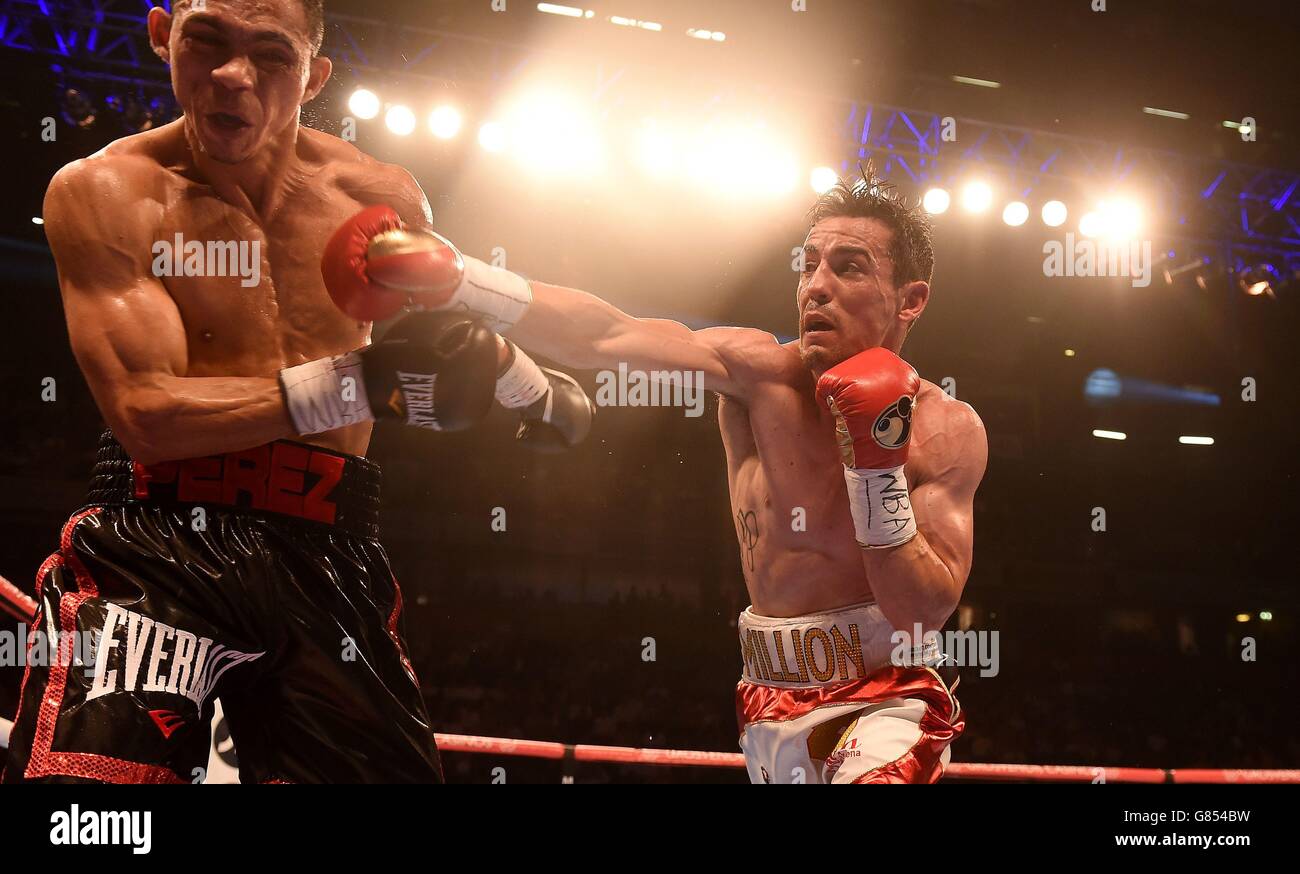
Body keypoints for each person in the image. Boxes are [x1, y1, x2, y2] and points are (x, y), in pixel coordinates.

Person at [3, 0, 590, 784]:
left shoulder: (378, 193)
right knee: (91, 816)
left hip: (329, 544)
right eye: (206, 42)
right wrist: (355, 388)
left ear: (315, 75)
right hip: (159, 538)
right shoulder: (105, 191)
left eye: (270, 57)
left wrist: (537, 392)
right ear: (159, 36)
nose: (232, 77)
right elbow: (146, 415)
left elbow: (452, 332)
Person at [360, 169, 989, 783]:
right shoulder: (758, 374)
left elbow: (919, 610)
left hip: (888, 697)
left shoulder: (946, 429)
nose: (815, 287)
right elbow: (609, 334)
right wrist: (465, 281)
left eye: (848, 267)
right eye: (808, 264)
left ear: (911, 298)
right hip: (767, 697)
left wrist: (874, 468)